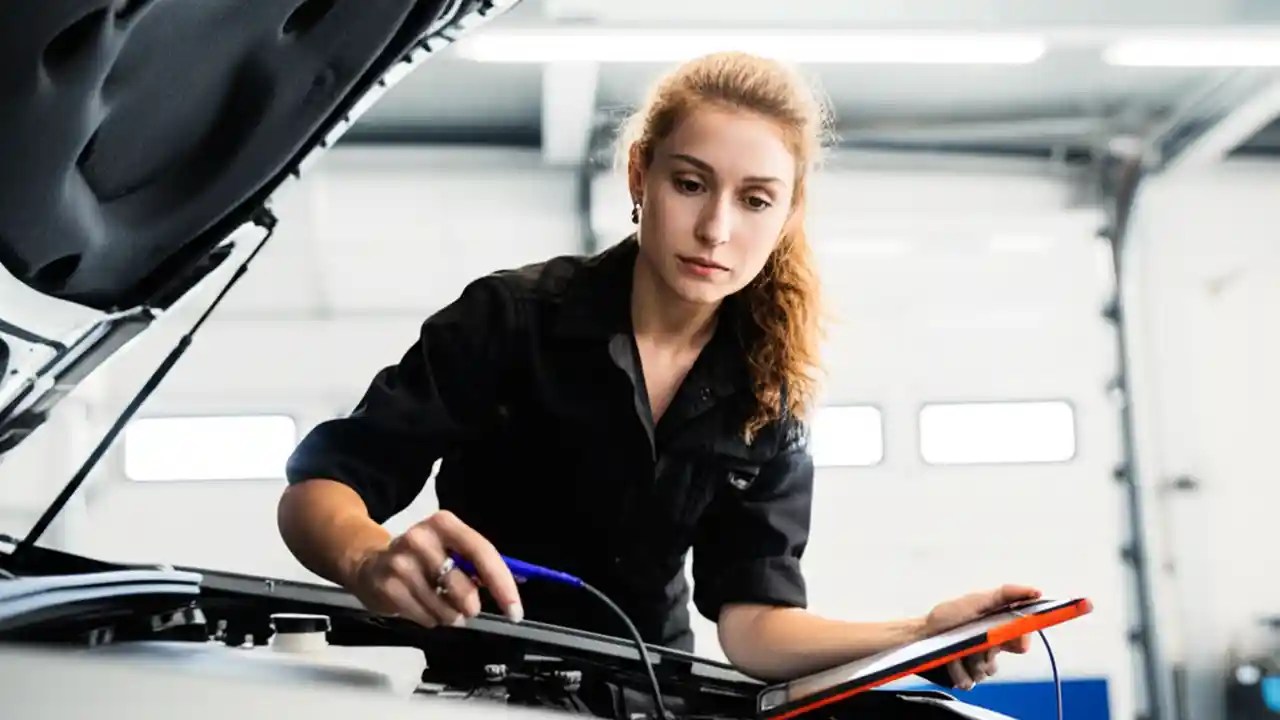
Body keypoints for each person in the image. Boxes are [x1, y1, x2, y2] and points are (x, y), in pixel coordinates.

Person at [277, 51, 1040, 692]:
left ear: (789, 216)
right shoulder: (508, 319)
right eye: (690, 183)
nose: (716, 228)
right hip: (467, 688)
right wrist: (371, 558)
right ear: (640, 174)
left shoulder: (768, 393)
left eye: (756, 200)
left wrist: (921, 633)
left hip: (645, 694)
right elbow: (318, 491)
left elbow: (753, 626)